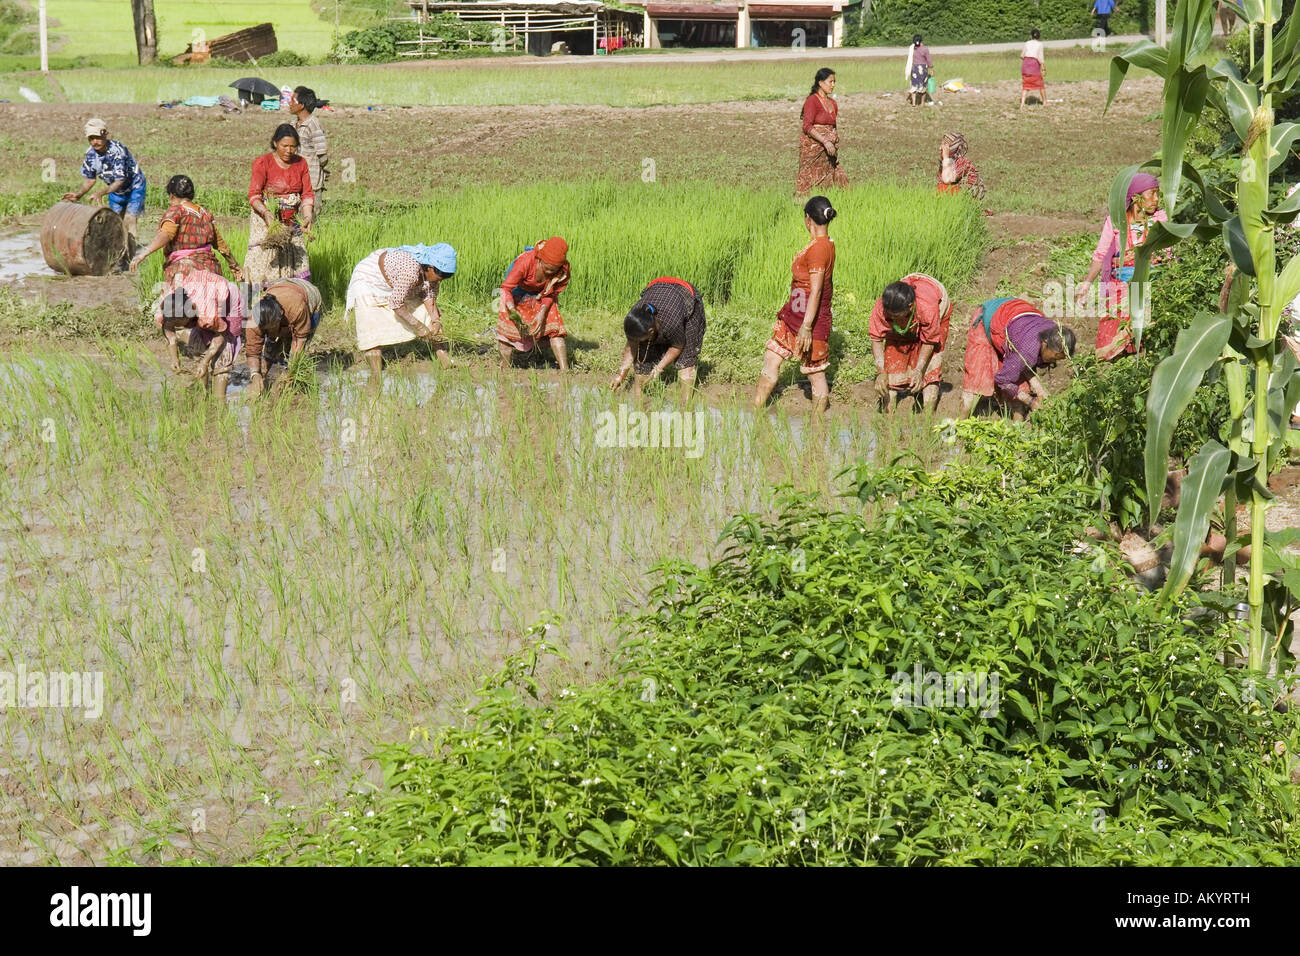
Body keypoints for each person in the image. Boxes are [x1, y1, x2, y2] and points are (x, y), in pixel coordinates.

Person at [754, 196, 837, 415]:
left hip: (809, 320)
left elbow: (817, 289)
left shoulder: (819, 249)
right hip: (794, 314)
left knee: (815, 372)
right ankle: (756, 409)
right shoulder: (824, 243)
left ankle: (818, 425)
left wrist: (807, 326)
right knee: (772, 356)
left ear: (808, 219)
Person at [1075, 171, 1169, 360]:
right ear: (1135, 197)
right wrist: (1087, 283)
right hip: (1119, 284)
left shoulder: (1159, 219)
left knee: (1145, 334)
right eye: (1151, 194)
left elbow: (1167, 254)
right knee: (1115, 335)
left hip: (1149, 283)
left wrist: (1154, 258)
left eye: (1158, 193)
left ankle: (1141, 363)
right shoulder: (1117, 221)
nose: (1156, 199)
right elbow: (1101, 254)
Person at [345, 243, 456, 380]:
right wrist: (419, 326)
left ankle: (443, 357)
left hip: (394, 283)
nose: (439, 282)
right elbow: (396, 303)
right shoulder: (410, 271)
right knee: (371, 326)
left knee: (426, 313)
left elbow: (429, 297)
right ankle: (376, 375)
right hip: (369, 280)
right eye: (439, 278)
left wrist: (436, 320)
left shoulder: (430, 274)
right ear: (431, 268)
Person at [960, 297, 1075, 418]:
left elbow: (1023, 362)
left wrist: (1039, 389)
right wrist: (1030, 401)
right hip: (988, 318)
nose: (1054, 361)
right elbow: (1003, 379)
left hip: (1013, 319)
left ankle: (1017, 430)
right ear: (1045, 343)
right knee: (973, 389)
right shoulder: (1028, 350)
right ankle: (957, 427)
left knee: (1021, 387)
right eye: (1055, 357)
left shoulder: (1052, 331)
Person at [63, 118, 147, 265]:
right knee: (116, 222)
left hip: (134, 186)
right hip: (114, 190)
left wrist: (101, 193)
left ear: (105, 135)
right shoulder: (90, 154)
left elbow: (120, 180)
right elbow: (90, 179)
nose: (95, 141)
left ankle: (132, 258)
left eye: (97, 137)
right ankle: (119, 255)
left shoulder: (117, 151)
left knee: (129, 219)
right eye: (91, 138)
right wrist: (79, 194)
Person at [154, 268, 245, 402]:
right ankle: (204, 395)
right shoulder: (167, 307)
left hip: (229, 301)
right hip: (205, 294)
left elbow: (220, 336)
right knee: (197, 345)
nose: (178, 326)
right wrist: (175, 359)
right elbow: (170, 333)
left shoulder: (206, 312)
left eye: (179, 323)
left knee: (223, 354)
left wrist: (205, 361)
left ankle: (219, 399)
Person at [129, 174, 241, 283]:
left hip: (184, 271)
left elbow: (166, 234)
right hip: (212, 271)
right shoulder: (206, 214)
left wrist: (143, 253)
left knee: (171, 300)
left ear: (172, 196)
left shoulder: (176, 211)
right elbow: (221, 245)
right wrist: (234, 266)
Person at [612, 276, 707, 402]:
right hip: (658, 288)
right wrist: (621, 375)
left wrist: (658, 368)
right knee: (642, 364)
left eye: (640, 339)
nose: (637, 342)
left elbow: (677, 347)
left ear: (651, 331)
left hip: (686, 297)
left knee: (686, 363)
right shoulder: (635, 318)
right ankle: (642, 407)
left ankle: (686, 406)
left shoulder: (671, 323)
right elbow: (631, 346)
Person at [869, 274, 952, 414]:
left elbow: (930, 341)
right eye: (890, 316)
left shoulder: (927, 308)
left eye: (896, 316)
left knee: (931, 365)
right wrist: (881, 371)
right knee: (893, 359)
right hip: (909, 316)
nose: (892, 318)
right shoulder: (883, 307)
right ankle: (889, 414)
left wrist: (919, 369)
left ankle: (928, 414)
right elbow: (876, 338)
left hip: (937, 305)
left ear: (910, 306)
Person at [244, 124, 315, 286]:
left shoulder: (301, 163)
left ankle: (292, 299)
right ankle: (257, 304)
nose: (289, 151)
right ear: (275, 143)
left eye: (293, 147)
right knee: (265, 261)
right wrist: (267, 214)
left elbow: (307, 194)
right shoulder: (263, 163)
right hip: (266, 221)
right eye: (285, 146)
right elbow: (254, 195)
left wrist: (307, 214)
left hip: (292, 221)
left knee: (296, 261)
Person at [498, 237, 572, 371]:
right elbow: (506, 288)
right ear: (540, 259)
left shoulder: (562, 272)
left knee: (555, 327)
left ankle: (564, 370)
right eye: (547, 269)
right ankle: (504, 368)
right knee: (508, 328)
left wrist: (542, 313)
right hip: (515, 291)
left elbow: (550, 294)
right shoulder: (525, 262)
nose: (550, 273)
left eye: (554, 270)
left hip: (541, 295)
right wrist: (512, 309)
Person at [245, 278, 323, 398]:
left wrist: (289, 373)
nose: (272, 332)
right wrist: (255, 375)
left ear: (280, 316)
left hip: (308, 296)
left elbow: (299, 342)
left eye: (273, 327)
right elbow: (252, 352)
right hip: (282, 290)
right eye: (267, 330)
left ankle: (294, 384)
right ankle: (263, 378)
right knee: (271, 346)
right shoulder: (254, 320)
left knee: (296, 356)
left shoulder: (297, 308)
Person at [796, 68, 848, 195]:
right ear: (820, 83)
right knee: (809, 181)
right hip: (815, 149)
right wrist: (825, 141)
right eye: (830, 82)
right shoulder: (812, 101)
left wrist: (833, 142)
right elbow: (807, 126)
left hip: (830, 150)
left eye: (834, 82)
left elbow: (833, 127)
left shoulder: (833, 103)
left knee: (838, 180)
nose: (833, 85)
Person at [290, 87, 328, 213]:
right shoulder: (292, 125)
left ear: (301, 105)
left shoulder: (313, 125)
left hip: (311, 183)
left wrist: (318, 171)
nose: (289, 103)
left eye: (293, 100)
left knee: (310, 220)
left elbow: (322, 155)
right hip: (294, 182)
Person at [937, 132, 986, 200]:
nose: (940, 148)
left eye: (945, 147)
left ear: (953, 148)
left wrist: (946, 158)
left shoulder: (962, 162)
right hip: (955, 191)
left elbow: (947, 180)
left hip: (969, 193)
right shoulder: (945, 164)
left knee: (944, 189)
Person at [1021, 29, 1046, 109]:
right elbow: (1040, 58)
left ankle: (1022, 103)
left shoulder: (1027, 43)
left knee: (1025, 85)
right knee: (1040, 84)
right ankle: (1044, 102)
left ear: (1031, 36)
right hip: (1034, 65)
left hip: (1025, 65)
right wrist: (1043, 68)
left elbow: (1022, 55)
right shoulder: (1040, 44)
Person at [905, 35, 934, 107]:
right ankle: (922, 103)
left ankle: (914, 103)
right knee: (923, 86)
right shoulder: (925, 49)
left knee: (914, 85)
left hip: (914, 69)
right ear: (921, 41)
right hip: (922, 69)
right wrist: (931, 69)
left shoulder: (913, 49)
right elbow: (929, 60)